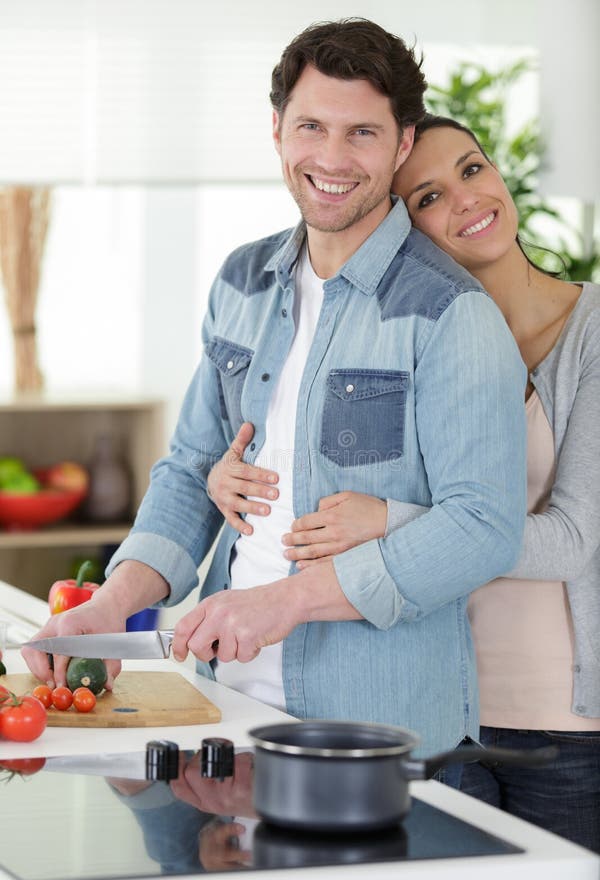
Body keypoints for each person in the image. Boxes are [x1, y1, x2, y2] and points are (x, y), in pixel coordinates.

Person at [22, 22, 527, 762]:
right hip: (222, 700)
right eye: (310, 126)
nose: (330, 157)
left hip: (379, 733)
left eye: (361, 132)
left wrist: (284, 602)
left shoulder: (451, 313)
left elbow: (483, 525)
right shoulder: (242, 281)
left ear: (402, 144)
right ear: (277, 129)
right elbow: (191, 469)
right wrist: (109, 604)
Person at [212, 115, 599, 880]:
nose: (466, 200)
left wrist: (394, 522)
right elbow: (312, 462)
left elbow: (573, 540)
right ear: (398, 221)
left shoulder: (588, 334)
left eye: (473, 169)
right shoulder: (413, 332)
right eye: (428, 195)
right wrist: (230, 475)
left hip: (564, 725)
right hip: (433, 712)